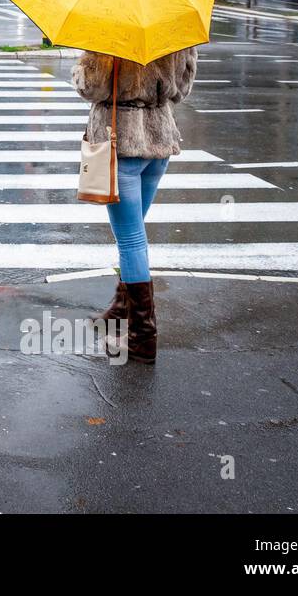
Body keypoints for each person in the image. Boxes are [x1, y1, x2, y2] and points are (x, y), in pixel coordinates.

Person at [72, 47, 198, 364]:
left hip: (122, 143)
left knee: (130, 240)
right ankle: (121, 307)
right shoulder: (173, 30)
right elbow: (182, 88)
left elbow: (91, 87)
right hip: (159, 141)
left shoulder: (107, 33)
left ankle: (143, 335)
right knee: (133, 235)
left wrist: (79, 69)